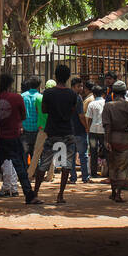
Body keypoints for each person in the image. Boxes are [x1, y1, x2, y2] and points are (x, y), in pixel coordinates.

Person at [34, 66, 78, 203]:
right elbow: (72, 111)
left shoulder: (48, 93)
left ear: (56, 75)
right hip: (67, 131)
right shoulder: (72, 94)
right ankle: (60, 195)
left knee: (44, 163)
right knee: (67, 164)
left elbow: (44, 109)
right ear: (68, 77)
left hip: (52, 132)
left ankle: (35, 194)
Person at [0, 73, 40, 205]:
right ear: (10, 85)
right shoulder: (16, 98)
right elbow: (23, 116)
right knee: (21, 168)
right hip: (14, 137)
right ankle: (29, 195)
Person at [102, 81, 128, 203]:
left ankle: (114, 192)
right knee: (122, 167)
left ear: (113, 93)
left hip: (111, 137)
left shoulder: (108, 106)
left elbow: (107, 126)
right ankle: (118, 193)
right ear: (125, 92)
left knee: (112, 166)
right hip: (124, 138)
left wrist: (107, 140)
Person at [69, 76, 90, 183]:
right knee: (83, 155)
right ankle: (85, 177)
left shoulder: (67, 97)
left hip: (69, 131)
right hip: (79, 130)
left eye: (81, 86)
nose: (81, 88)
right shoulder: (78, 98)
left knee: (71, 157)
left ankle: (73, 178)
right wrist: (86, 127)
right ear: (73, 87)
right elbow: (81, 115)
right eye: (78, 86)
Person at [85, 84, 106, 181]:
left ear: (93, 94)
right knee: (106, 151)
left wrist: (88, 128)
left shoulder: (91, 104)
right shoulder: (106, 103)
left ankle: (93, 173)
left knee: (93, 152)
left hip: (93, 130)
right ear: (102, 93)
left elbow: (89, 118)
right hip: (103, 130)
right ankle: (107, 171)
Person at [21, 78, 42, 167]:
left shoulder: (22, 96)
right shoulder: (40, 97)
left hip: (24, 128)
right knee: (36, 153)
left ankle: (25, 173)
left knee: (24, 153)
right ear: (39, 86)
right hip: (37, 128)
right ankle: (34, 172)